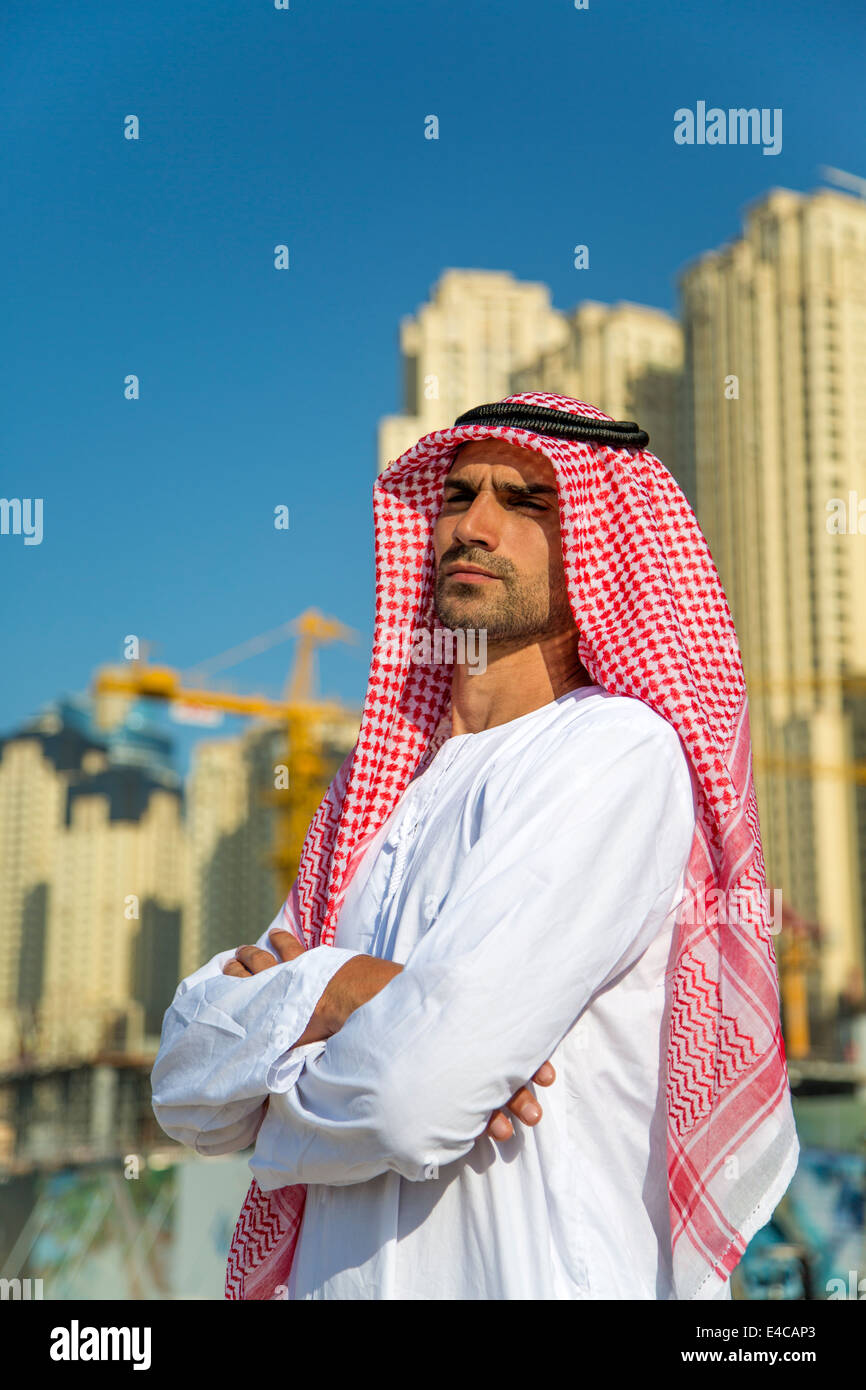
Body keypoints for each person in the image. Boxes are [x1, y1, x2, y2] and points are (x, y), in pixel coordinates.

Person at [151, 392, 799, 1301]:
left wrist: (285, 1050)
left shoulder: (613, 751)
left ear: (604, 547)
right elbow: (183, 1087)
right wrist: (349, 990)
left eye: (527, 503)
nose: (475, 526)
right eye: (457, 497)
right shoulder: (368, 796)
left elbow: (413, 1099)